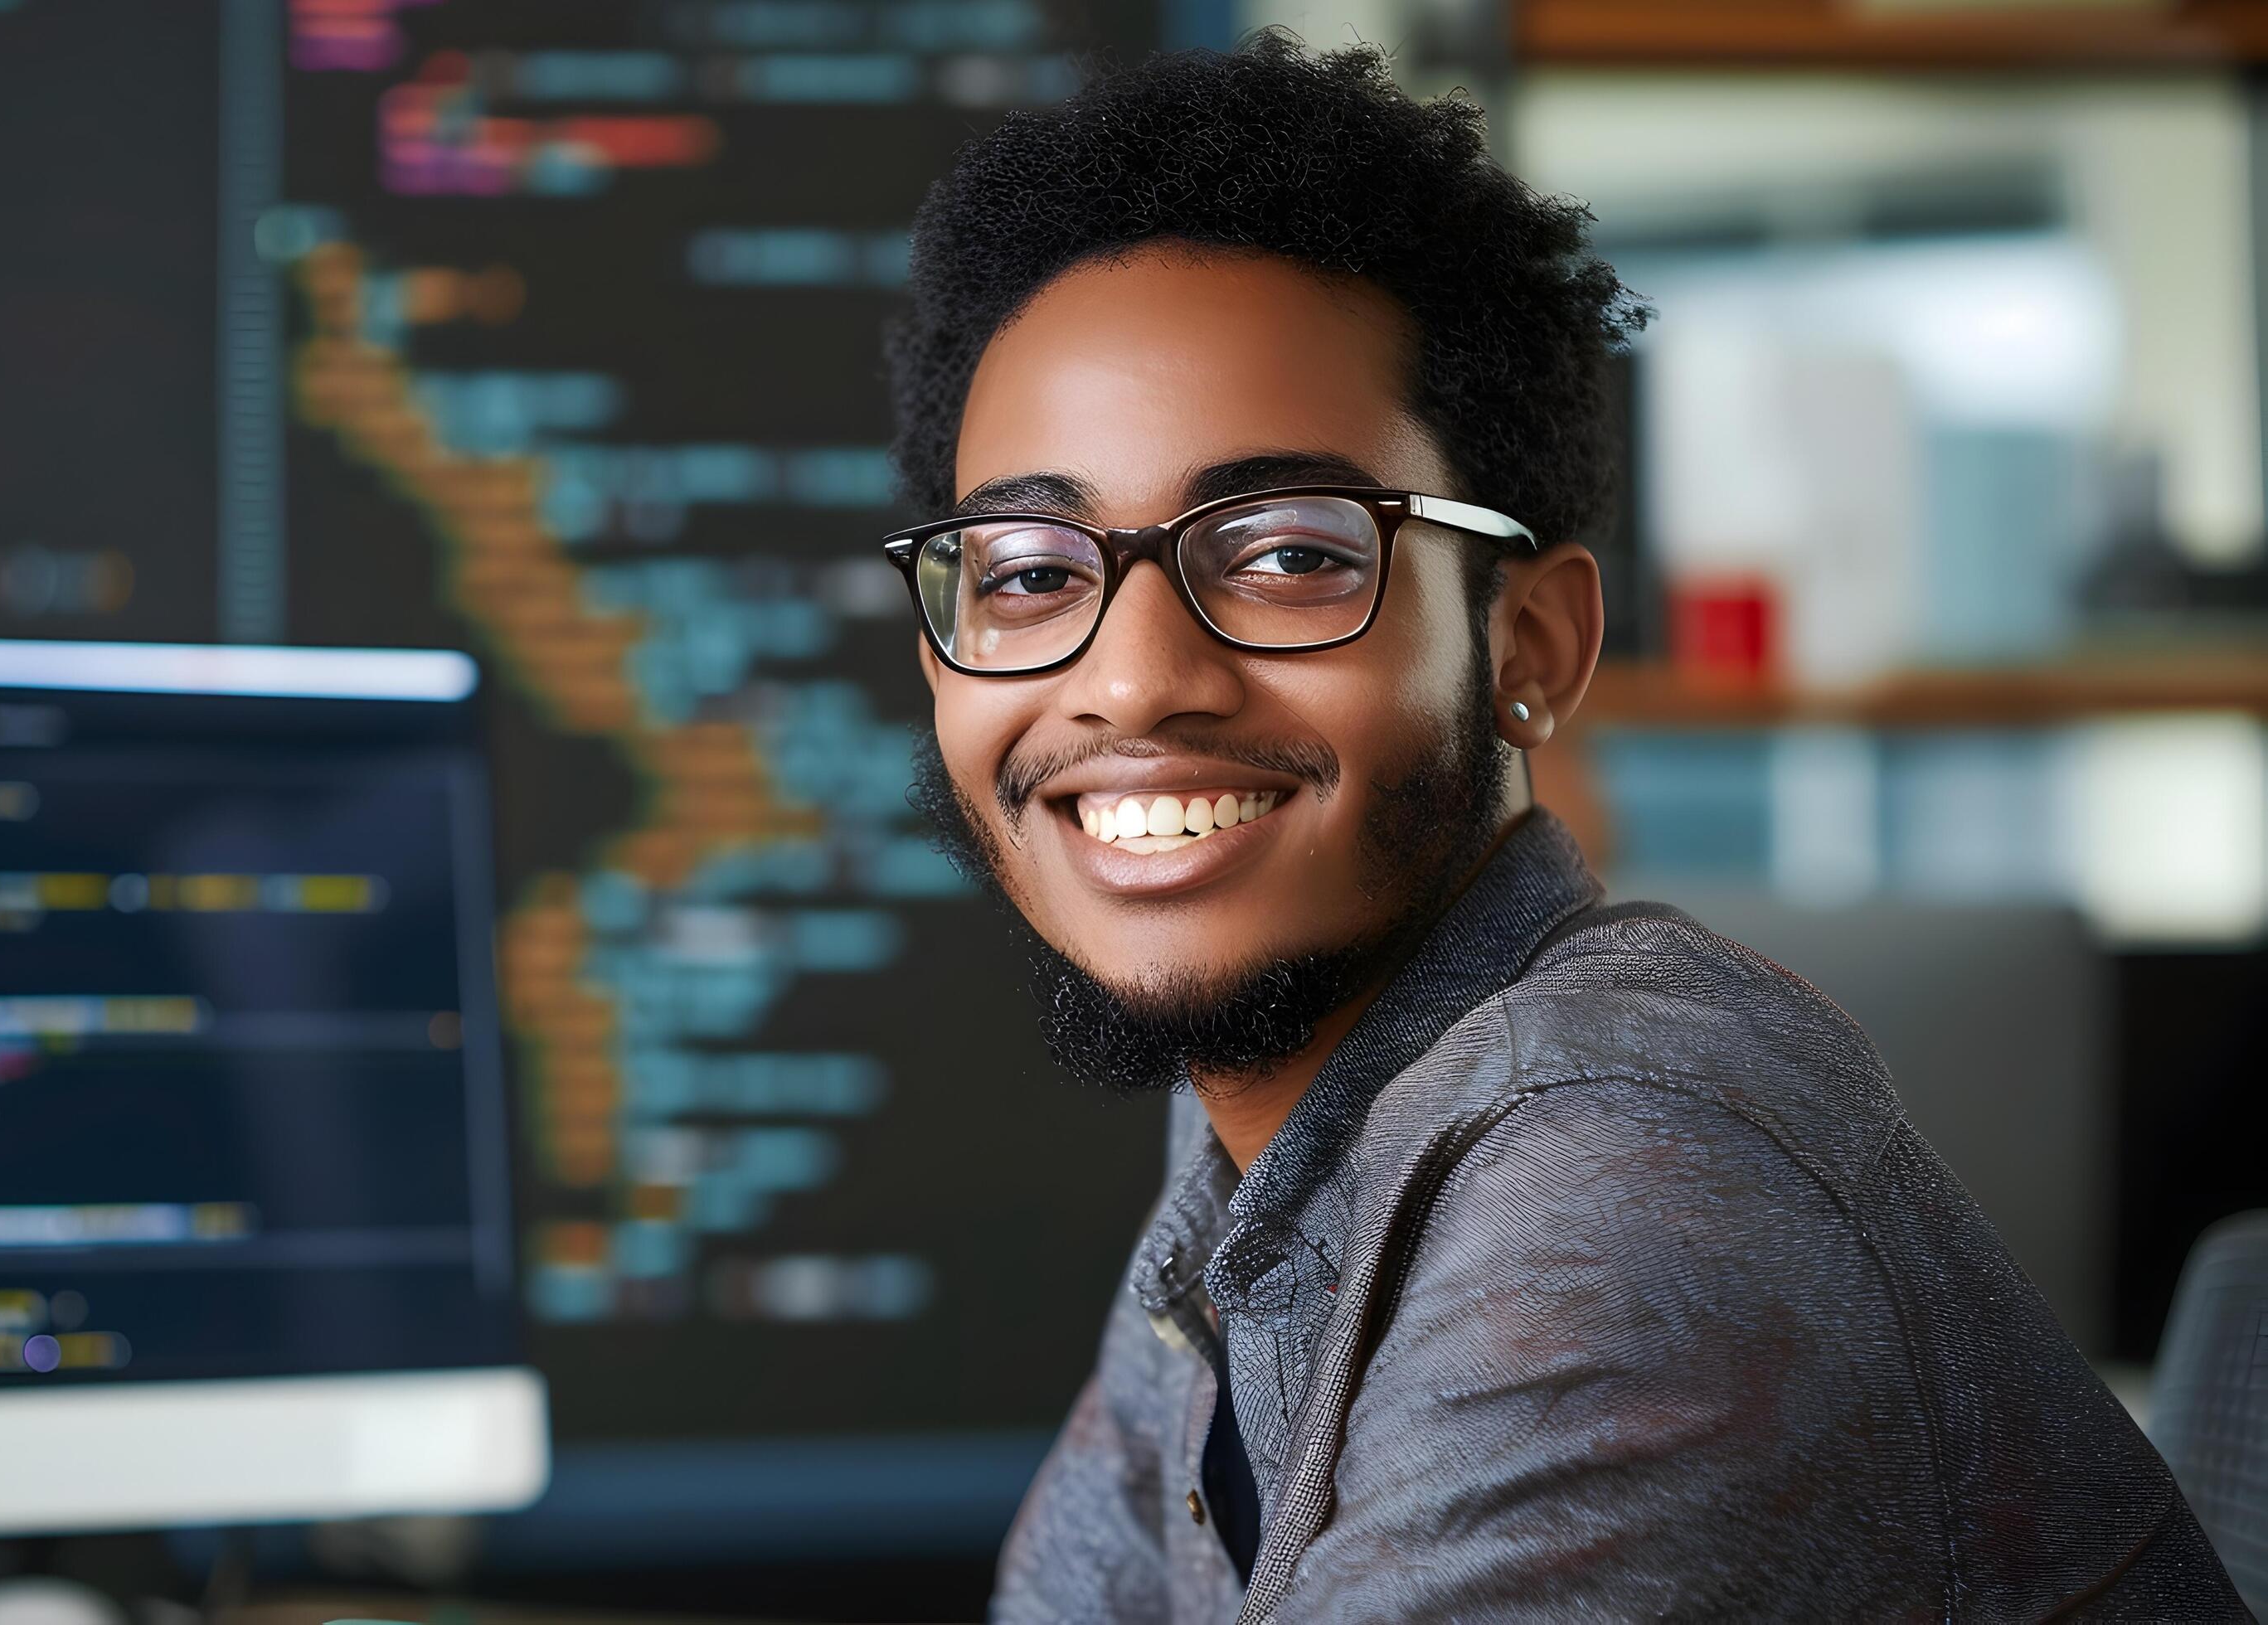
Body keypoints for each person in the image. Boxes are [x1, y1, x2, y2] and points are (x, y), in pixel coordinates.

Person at [881, 33, 2245, 1622]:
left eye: (1290, 554)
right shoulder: (1263, 1117)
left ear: (1526, 647)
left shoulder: (1620, 1179)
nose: (1131, 678)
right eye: (1031, 572)